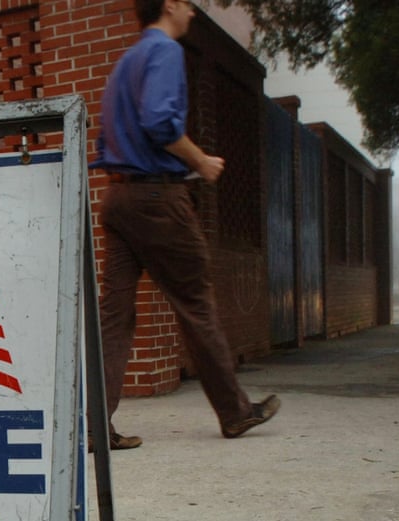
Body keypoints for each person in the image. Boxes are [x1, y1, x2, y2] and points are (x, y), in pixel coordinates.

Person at [92, 0, 279, 447]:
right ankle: (235, 412)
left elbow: (109, 133)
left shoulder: (125, 62)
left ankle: (93, 425)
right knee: (195, 302)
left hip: (118, 196)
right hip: (158, 197)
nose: (193, 12)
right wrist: (200, 161)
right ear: (170, 5)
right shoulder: (165, 52)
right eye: (189, 3)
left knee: (114, 316)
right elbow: (160, 122)